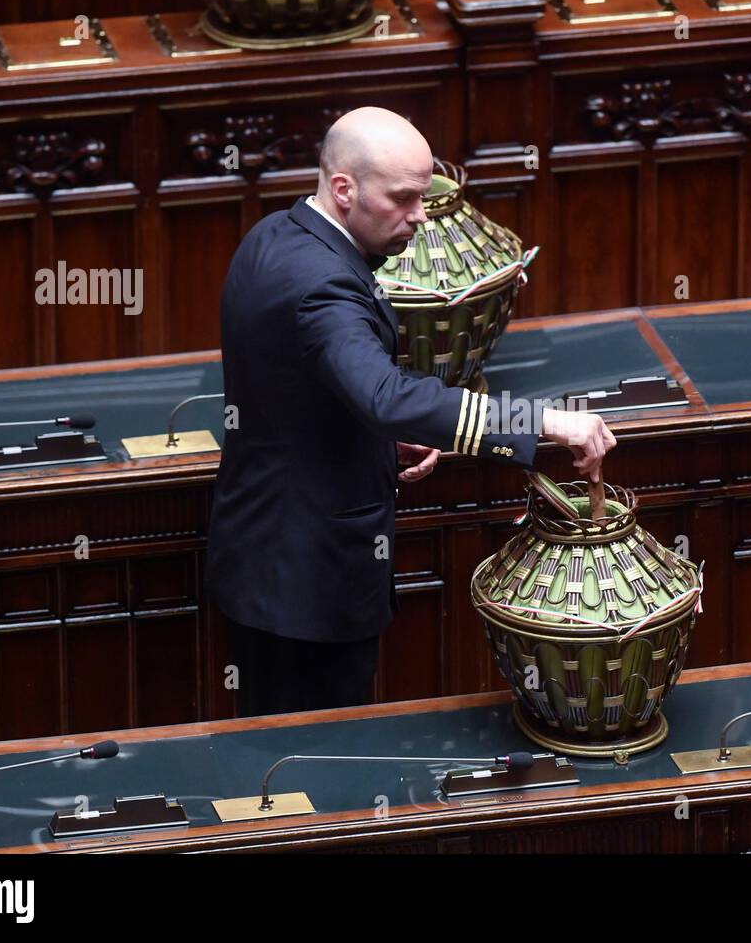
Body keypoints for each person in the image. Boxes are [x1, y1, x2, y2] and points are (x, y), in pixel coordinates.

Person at [206, 106, 616, 717]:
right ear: (344, 189)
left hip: (265, 557)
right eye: (403, 199)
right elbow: (385, 395)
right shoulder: (323, 286)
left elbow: (304, 392)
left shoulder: (275, 234)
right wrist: (544, 421)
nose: (421, 217)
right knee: (309, 771)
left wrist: (377, 440)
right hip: (307, 584)